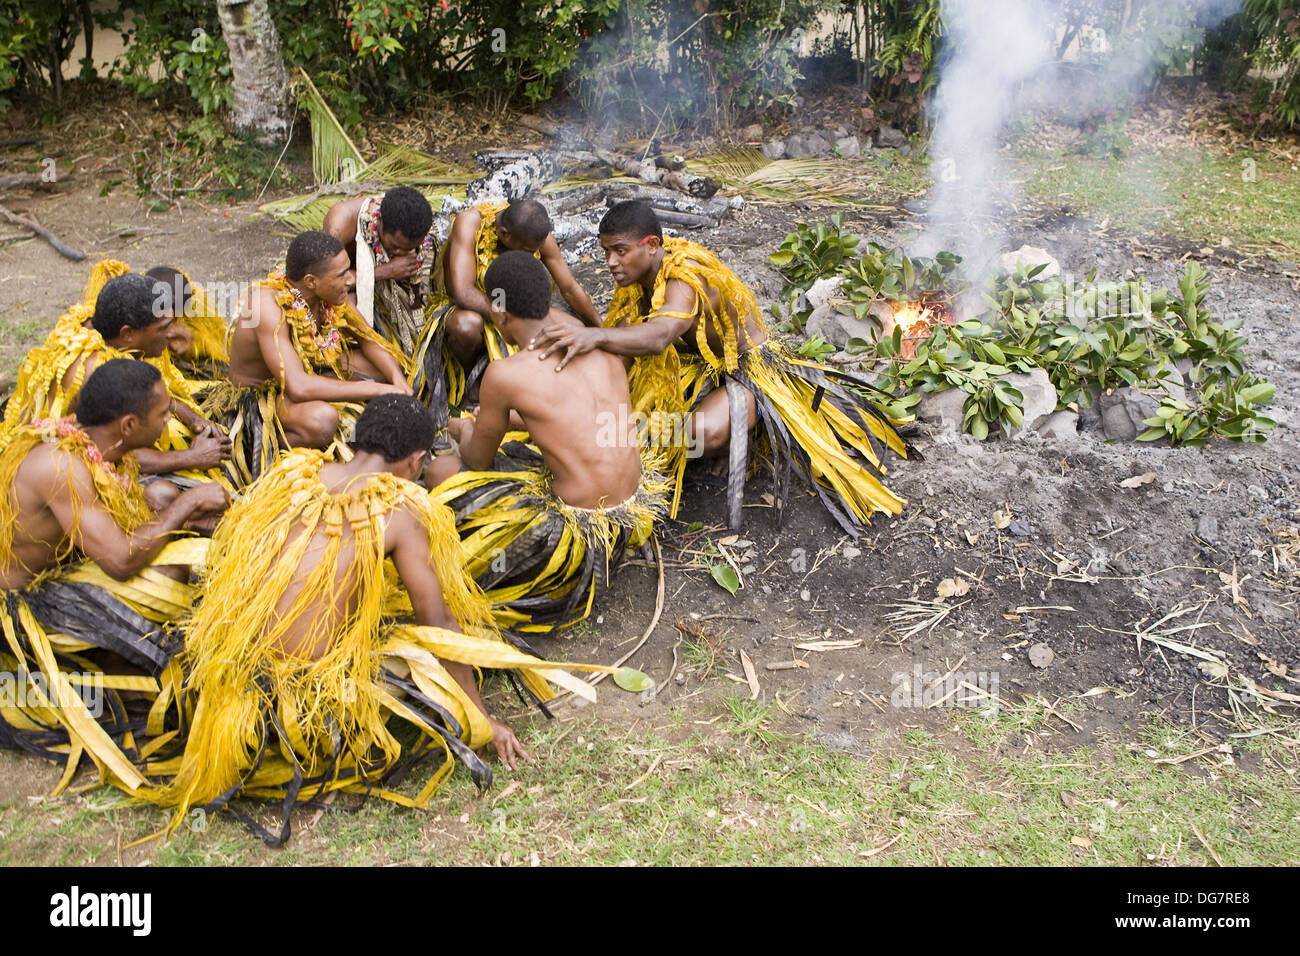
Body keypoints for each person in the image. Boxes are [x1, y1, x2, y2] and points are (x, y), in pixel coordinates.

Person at [162, 395, 606, 843]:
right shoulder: (400, 513)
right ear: (415, 462)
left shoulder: (291, 473)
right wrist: (480, 719)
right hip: (297, 710)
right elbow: (440, 626)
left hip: (222, 687)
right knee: (410, 640)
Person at [526, 200, 913, 538]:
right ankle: (648, 439)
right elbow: (623, 350)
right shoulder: (635, 279)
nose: (611, 262)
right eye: (606, 252)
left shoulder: (685, 274)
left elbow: (659, 335)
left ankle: (752, 424)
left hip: (749, 372)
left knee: (700, 433)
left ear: (652, 245)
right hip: (699, 366)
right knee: (630, 404)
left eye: (620, 251)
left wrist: (595, 341)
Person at [0, 359, 228, 794]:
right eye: (163, 414)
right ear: (128, 424)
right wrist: (188, 504)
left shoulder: (98, 444)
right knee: (170, 567)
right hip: (25, 603)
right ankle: (116, 671)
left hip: (66, 563)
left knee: (162, 497)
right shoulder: (62, 467)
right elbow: (121, 561)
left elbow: (132, 503)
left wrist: (186, 513)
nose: (169, 420)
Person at [431, 252, 667, 634]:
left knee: (441, 469)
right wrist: (505, 420)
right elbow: (567, 414)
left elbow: (476, 459)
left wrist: (463, 429)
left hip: (574, 538)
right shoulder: (590, 340)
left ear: (500, 313)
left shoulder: (505, 374)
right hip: (632, 516)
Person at [202, 230, 412, 486]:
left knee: (386, 364)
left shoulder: (329, 295)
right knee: (322, 420)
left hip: (303, 376)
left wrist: (396, 379)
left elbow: (368, 339)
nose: (349, 280)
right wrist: (380, 391)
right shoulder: (266, 306)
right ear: (311, 281)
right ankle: (258, 447)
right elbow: (298, 387)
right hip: (260, 398)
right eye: (341, 275)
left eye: (349, 270)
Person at [0, 273, 232, 488]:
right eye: (163, 328)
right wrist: (192, 457)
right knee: (162, 494)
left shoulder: (99, 324)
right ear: (128, 334)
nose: (171, 334)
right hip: (53, 478)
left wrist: (191, 416)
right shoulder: (95, 371)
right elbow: (113, 451)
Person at [433, 198, 601, 378]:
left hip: (514, 311)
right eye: (527, 251)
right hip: (468, 309)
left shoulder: (535, 236)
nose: (531, 255)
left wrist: (602, 331)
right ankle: (471, 378)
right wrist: (511, 319)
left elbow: (569, 288)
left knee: (573, 327)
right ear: (505, 235)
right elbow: (463, 292)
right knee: (467, 326)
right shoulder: (471, 222)